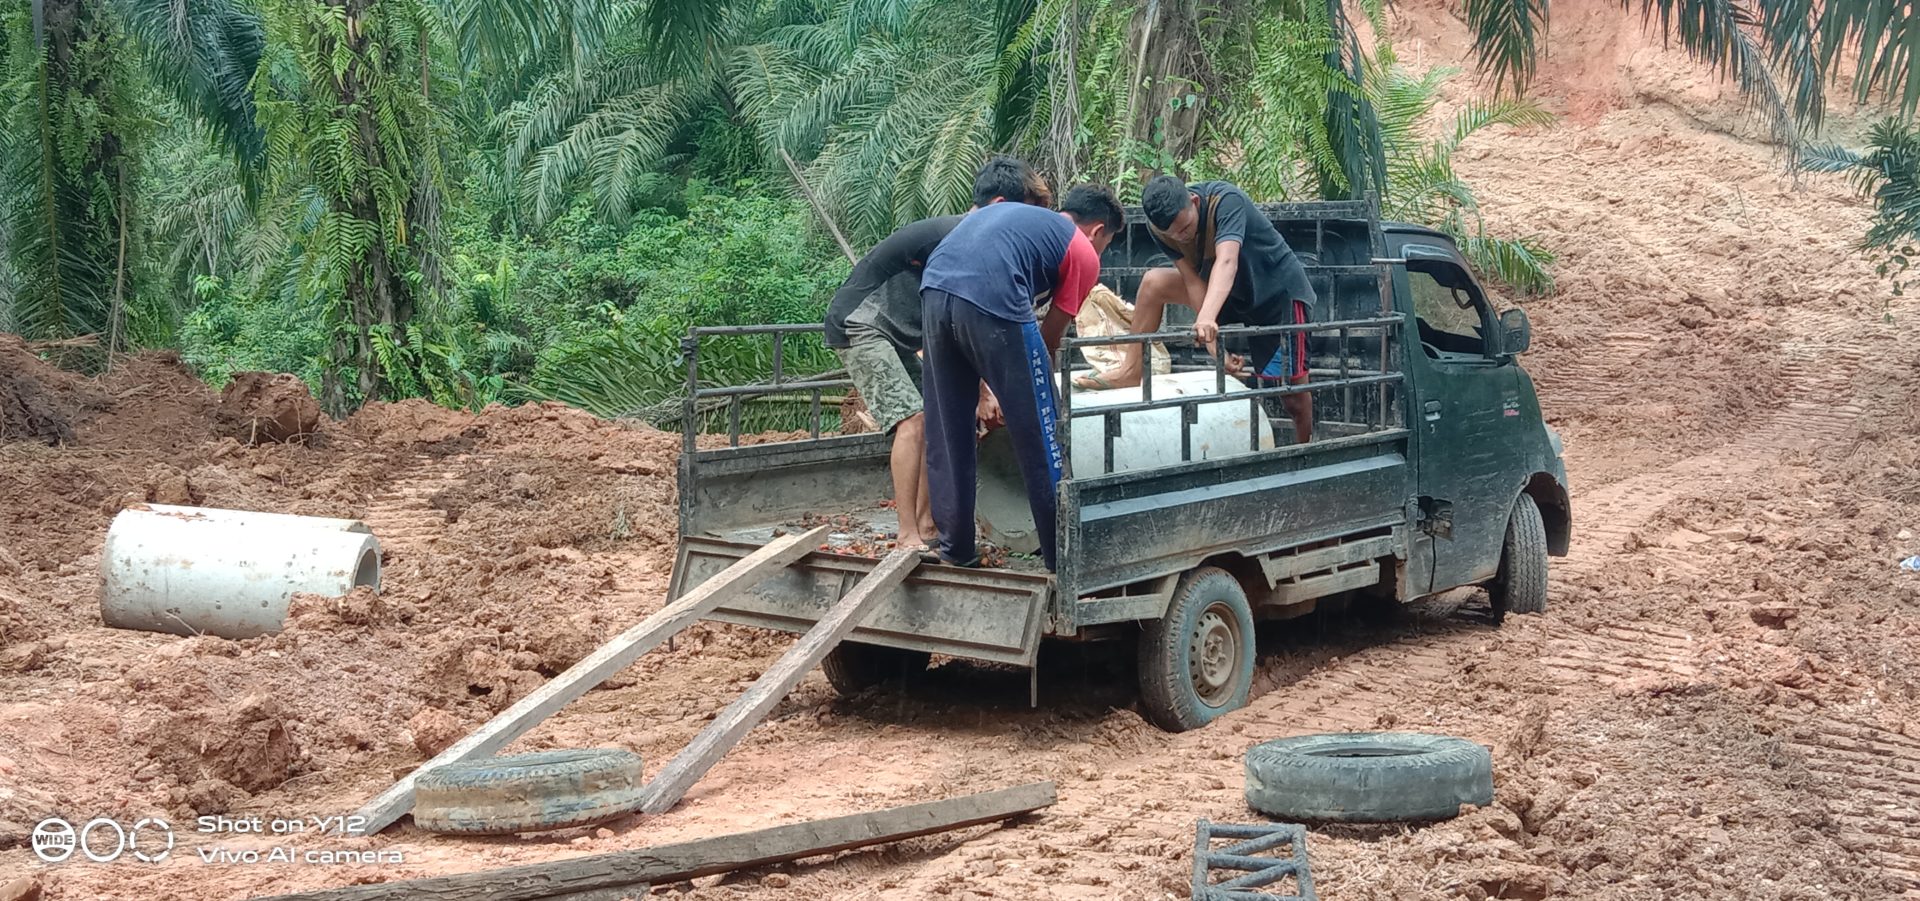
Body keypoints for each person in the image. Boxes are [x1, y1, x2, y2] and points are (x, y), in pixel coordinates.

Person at [822, 156, 1051, 551]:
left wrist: (981, 392)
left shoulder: (974, 240)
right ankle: (907, 532)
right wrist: (982, 391)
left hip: (900, 334)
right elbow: (959, 323)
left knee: (938, 420)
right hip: (861, 325)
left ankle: (929, 525)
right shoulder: (957, 237)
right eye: (1023, 218)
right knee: (912, 421)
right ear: (999, 207)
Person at [919, 185, 1126, 571]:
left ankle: (956, 549)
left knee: (949, 428)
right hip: (992, 293)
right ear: (1097, 231)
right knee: (1040, 431)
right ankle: (1059, 556)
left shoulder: (1015, 220)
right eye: (1106, 244)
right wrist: (1024, 391)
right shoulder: (1082, 250)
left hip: (934, 288)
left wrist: (993, 381)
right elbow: (1049, 339)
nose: (1100, 252)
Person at [1075, 176, 1317, 445]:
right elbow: (1192, 280)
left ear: (1194, 202)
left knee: (1292, 396)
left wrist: (1206, 318)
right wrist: (1215, 347)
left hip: (1274, 291)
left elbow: (1227, 261)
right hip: (1222, 291)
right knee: (1153, 283)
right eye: (1173, 234)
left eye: (1186, 227)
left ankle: (1304, 447)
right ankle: (1131, 371)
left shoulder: (1225, 202)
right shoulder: (1159, 229)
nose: (1182, 236)